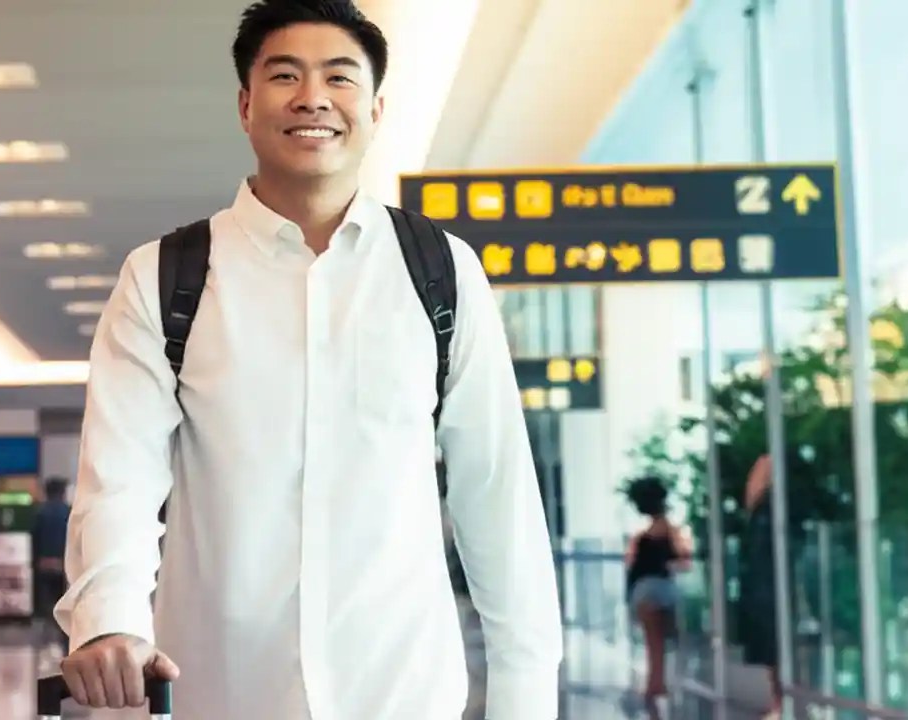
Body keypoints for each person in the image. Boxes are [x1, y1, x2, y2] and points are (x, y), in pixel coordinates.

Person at [52, 1, 563, 717]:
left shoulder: (440, 272)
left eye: (340, 77)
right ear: (245, 104)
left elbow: (496, 494)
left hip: (401, 693)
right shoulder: (165, 277)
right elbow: (119, 479)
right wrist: (109, 620)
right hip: (224, 691)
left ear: (376, 109)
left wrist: (525, 699)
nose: (312, 98)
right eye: (285, 75)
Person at [623, 477, 691, 718]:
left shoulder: (641, 536)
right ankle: (659, 685)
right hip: (666, 589)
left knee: (654, 643)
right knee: (667, 641)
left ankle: (654, 686)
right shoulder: (673, 531)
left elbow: (630, 565)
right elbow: (685, 560)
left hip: (644, 591)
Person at [738, 454, 782, 718]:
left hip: (770, 585)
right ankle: (780, 701)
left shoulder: (766, 514)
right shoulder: (764, 514)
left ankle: (781, 702)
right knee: (773, 645)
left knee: (775, 645)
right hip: (768, 585)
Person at [31, 477, 71, 659]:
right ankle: (64, 642)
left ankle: (46, 640)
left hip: (44, 565)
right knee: (65, 603)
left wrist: (35, 562)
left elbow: (34, 540)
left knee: (47, 603)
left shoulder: (40, 513)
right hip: (64, 565)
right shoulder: (69, 512)